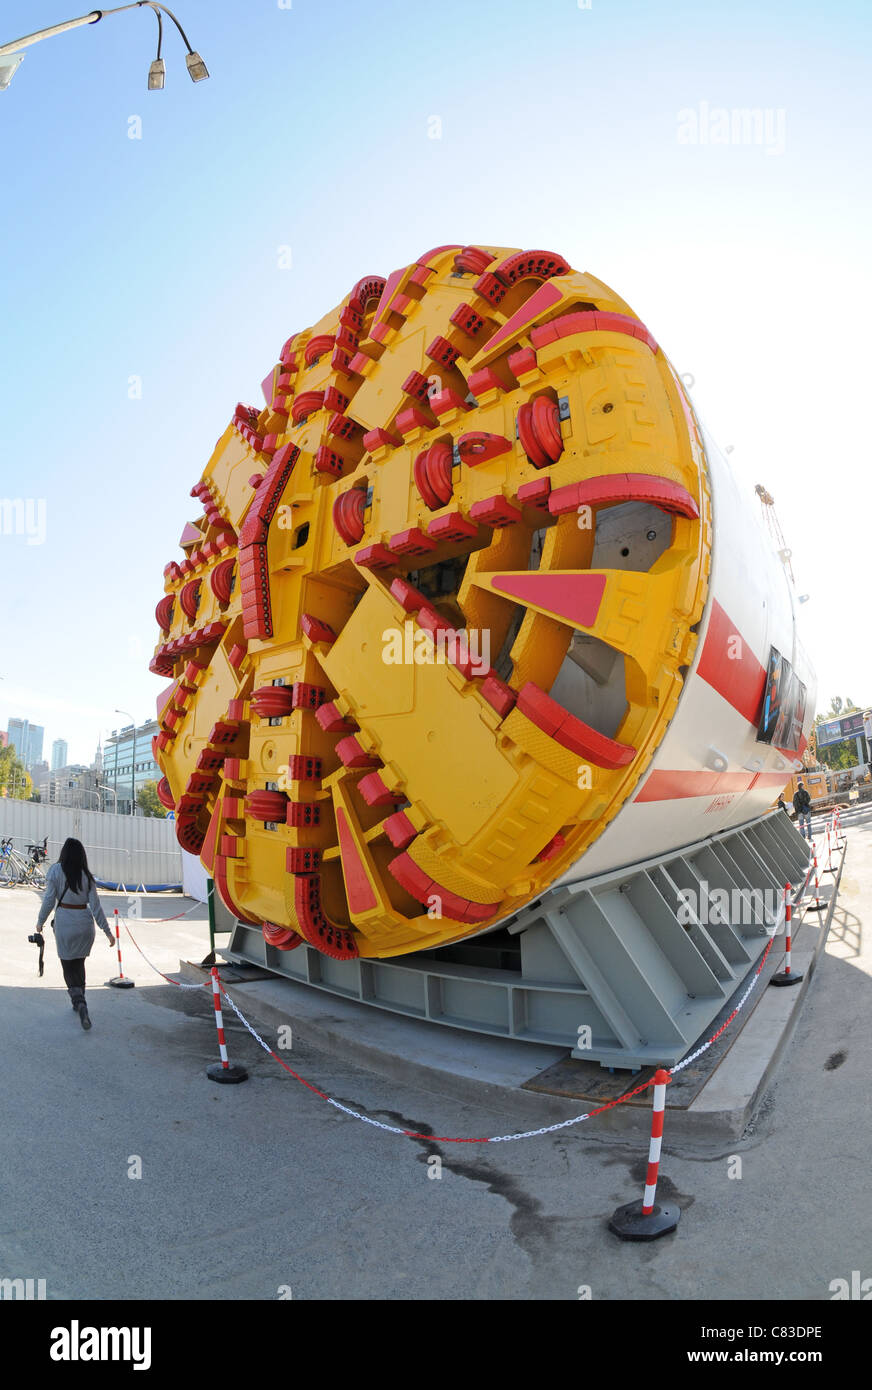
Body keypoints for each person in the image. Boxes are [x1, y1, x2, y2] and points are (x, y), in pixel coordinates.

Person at [35, 838, 114, 1030]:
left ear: (64, 853)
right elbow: (96, 907)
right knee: (79, 963)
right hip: (85, 925)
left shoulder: (55, 870)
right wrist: (108, 932)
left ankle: (80, 1003)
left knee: (68, 966)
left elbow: (48, 900)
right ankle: (79, 1000)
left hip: (65, 924)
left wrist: (40, 922)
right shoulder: (87, 876)